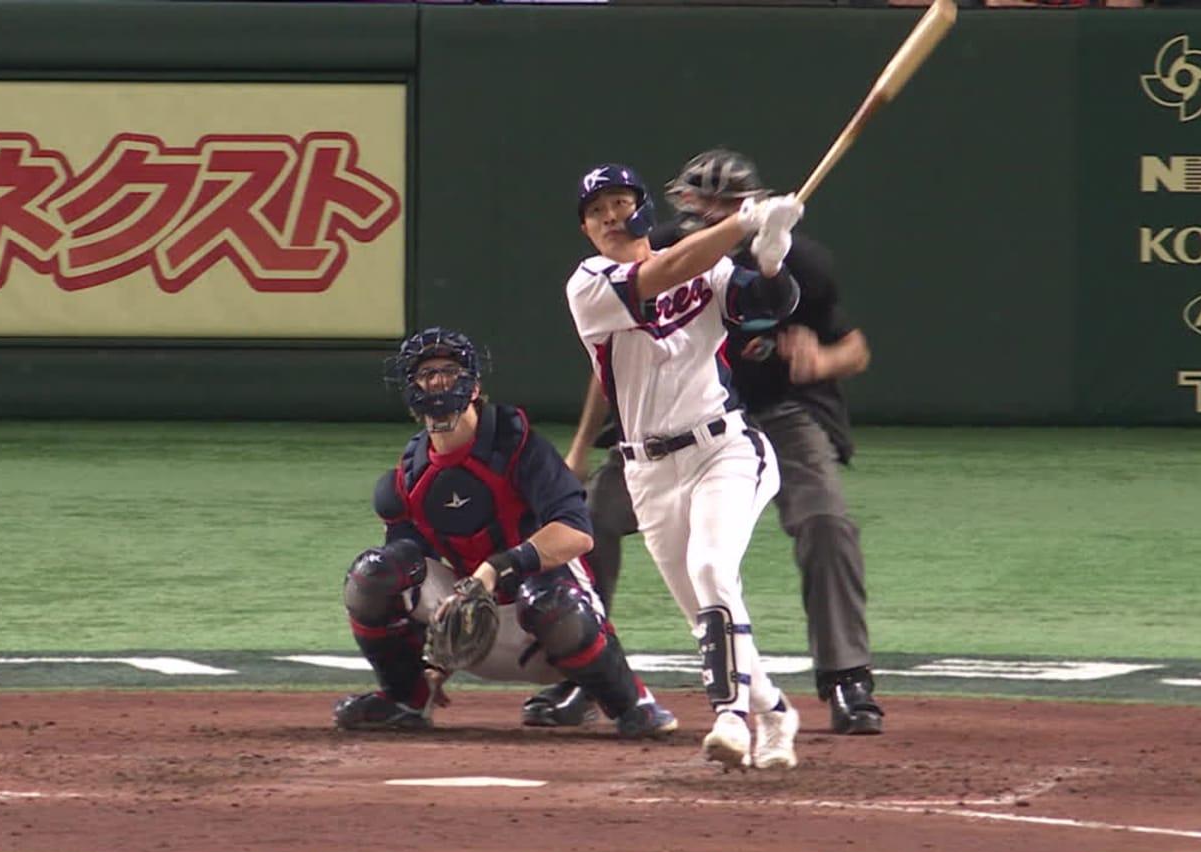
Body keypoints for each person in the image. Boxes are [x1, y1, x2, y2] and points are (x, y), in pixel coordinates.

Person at [528, 150, 883, 736]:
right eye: (702, 199)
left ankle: (846, 678)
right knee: (590, 521)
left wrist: (776, 266)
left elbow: (829, 331)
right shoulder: (653, 256)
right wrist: (583, 445)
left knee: (824, 521)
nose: (712, 210)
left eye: (728, 202)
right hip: (660, 430)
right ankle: (586, 673)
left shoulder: (802, 260)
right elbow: (616, 352)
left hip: (773, 411)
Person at [560, 163, 804, 771]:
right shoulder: (589, 284)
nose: (609, 218)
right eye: (596, 212)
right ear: (586, 231)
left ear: (642, 208)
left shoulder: (709, 267)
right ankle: (775, 712)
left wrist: (772, 254)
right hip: (647, 472)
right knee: (706, 612)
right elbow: (663, 273)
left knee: (712, 568)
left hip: (724, 448)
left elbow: (769, 304)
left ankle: (730, 717)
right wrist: (744, 223)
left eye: (619, 203)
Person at [332, 326, 679, 740]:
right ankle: (406, 697)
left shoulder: (518, 445)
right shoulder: (407, 477)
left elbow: (577, 534)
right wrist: (437, 660)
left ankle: (628, 702)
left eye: (449, 371)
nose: (438, 382)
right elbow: (408, 580)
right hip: (473, 623)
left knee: (551, 603)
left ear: (475, 386)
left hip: (547, 623)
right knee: (373, 574)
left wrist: (497, 568)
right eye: (427, 374)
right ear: (411, 388)